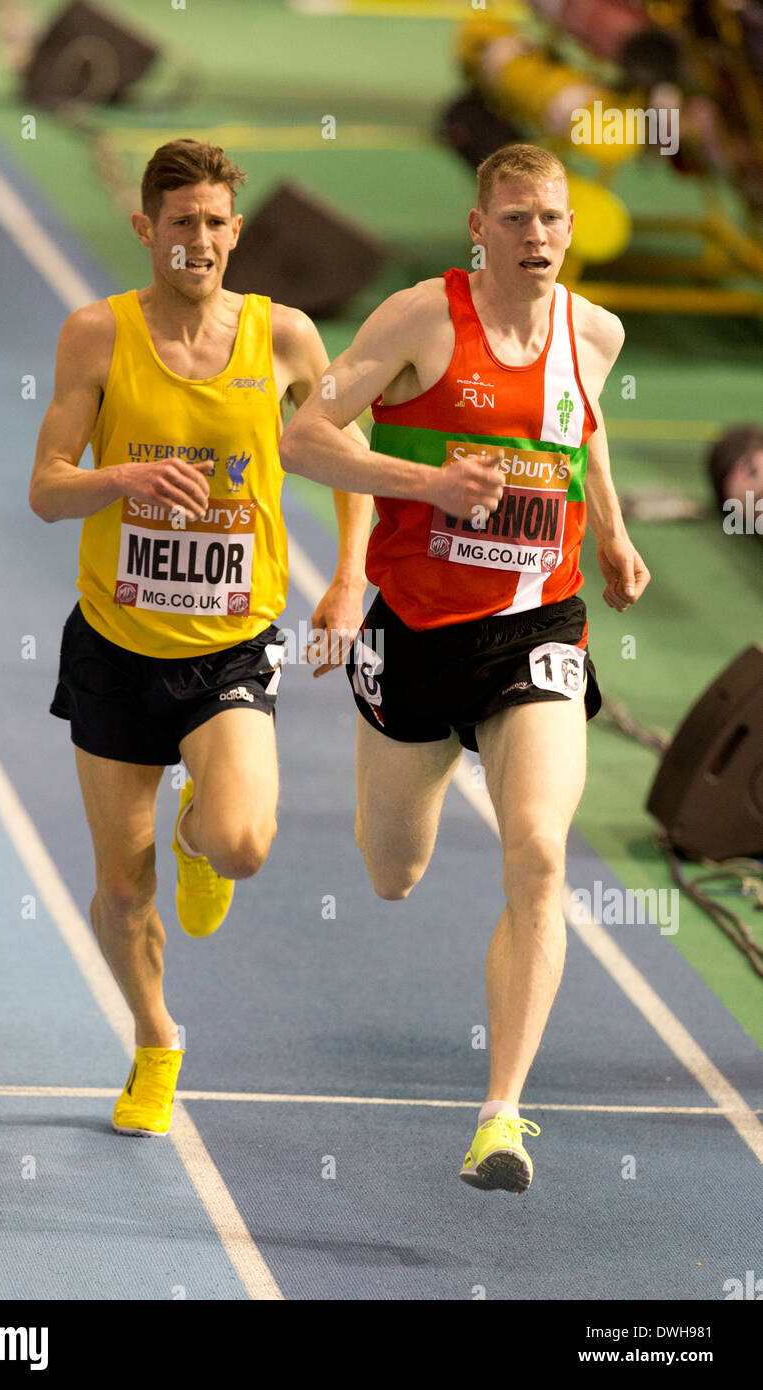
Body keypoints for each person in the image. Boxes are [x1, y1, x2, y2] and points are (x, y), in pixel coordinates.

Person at [281, 143, 650, 1194]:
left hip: (537, 621)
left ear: (570, 230)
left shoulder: (593, 332)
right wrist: (423, 483)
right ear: (477, 230)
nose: (538, 237)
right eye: (517, 219)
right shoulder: (419, 319)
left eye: (553, 220)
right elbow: (303, 437)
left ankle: (500, 1116)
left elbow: (583, 427)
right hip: (417, 630)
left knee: (537, 848)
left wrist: (611, 534)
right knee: (390, 870)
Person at [29, 139, 371, 1139]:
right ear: (146, 229)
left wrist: (349, 577)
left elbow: (350, 461)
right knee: (119, 888)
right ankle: (154, 1042)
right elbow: (47, 488)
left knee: (242, 842)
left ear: (236, 231)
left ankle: (198, 835)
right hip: (113, 644)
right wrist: (119, 480)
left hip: (228, 645)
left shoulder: (286, 339)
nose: (202, 240)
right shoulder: (96, 336)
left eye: (218, 223)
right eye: (182, 224)